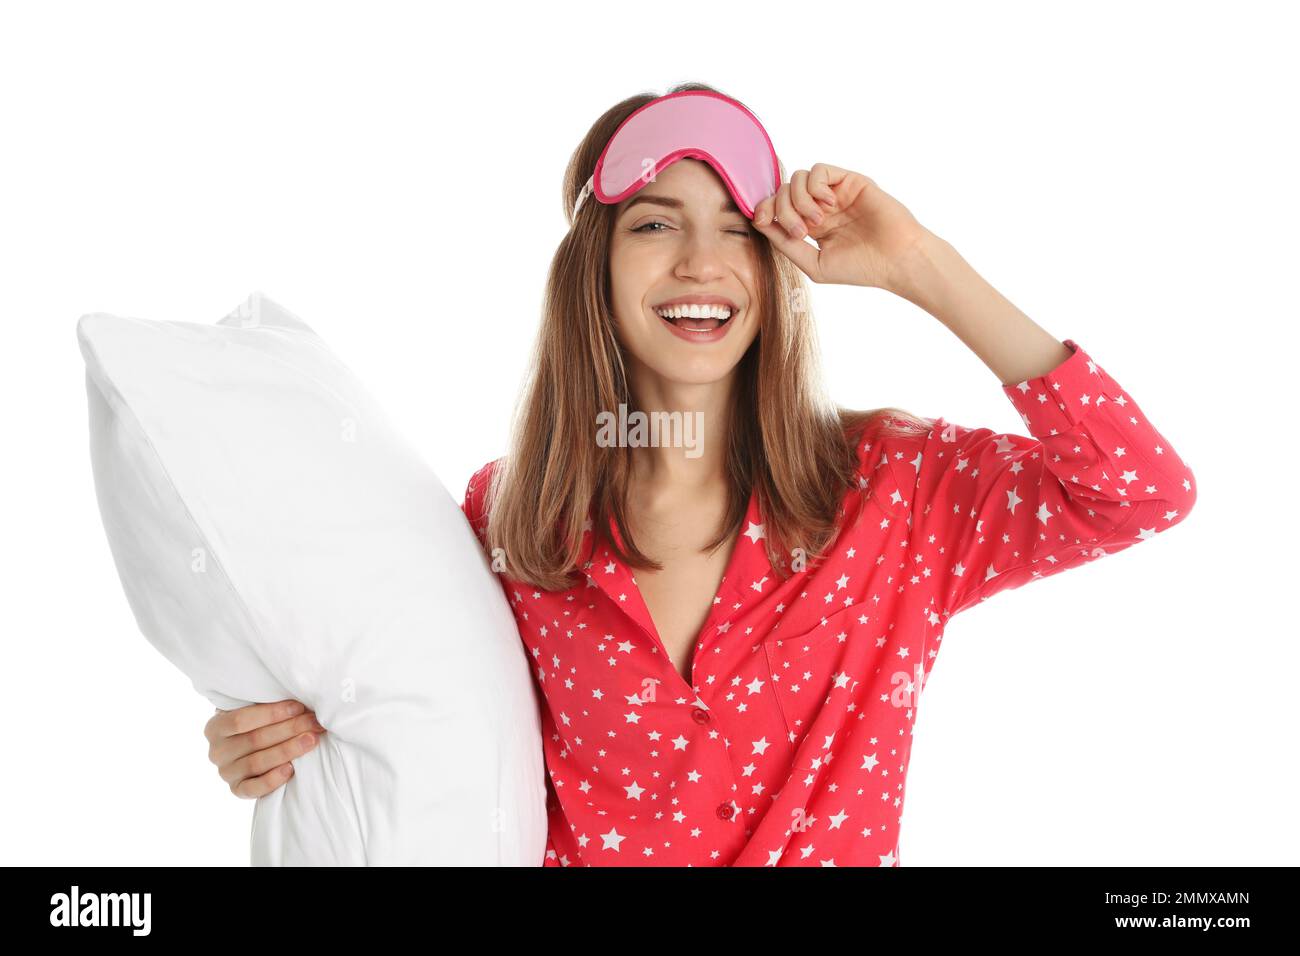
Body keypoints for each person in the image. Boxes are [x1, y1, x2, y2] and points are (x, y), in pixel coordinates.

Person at [204, 82, 1196, 866]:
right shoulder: (503, 517)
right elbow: (401, 715)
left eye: (737, 227)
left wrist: (914, 261)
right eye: (653, 223)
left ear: (775, 274)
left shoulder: (896, 485)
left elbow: (1139, 489)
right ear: (592, 268)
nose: (699, 260)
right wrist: (278, 738)